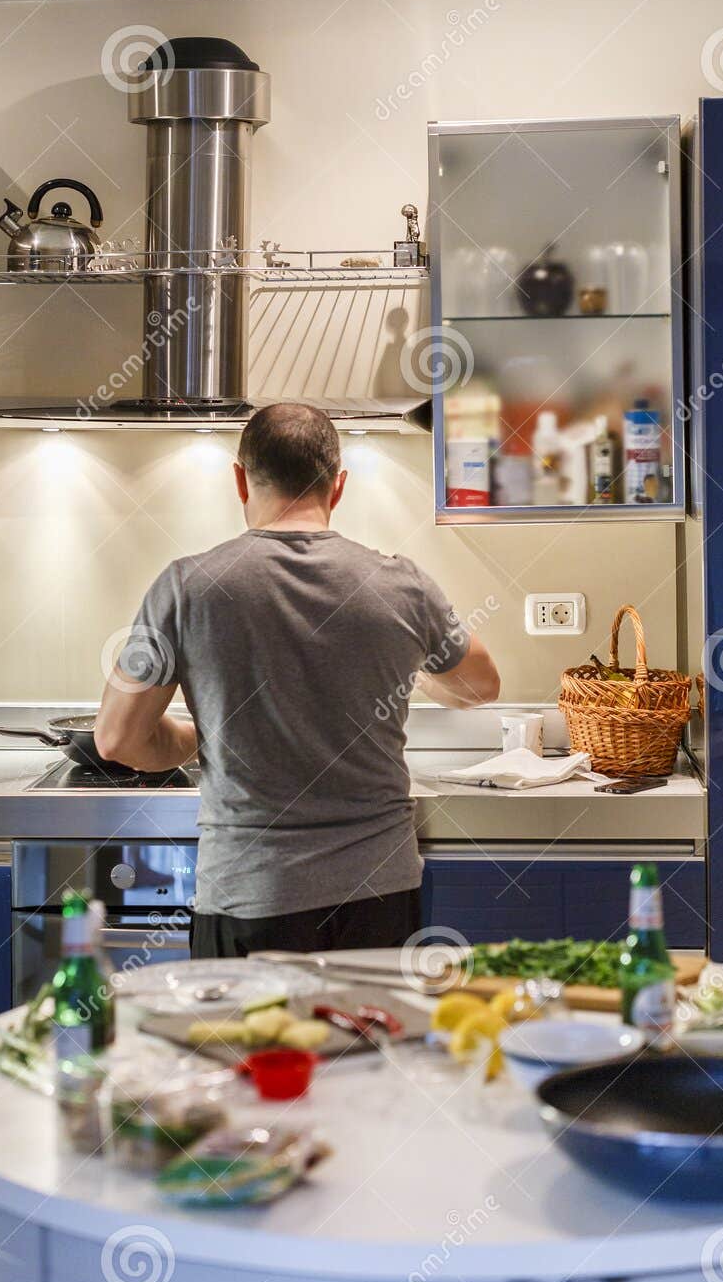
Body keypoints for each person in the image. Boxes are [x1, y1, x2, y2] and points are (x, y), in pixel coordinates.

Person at [93, 402, 499, 958]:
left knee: (255, 1046)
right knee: (369, 1045)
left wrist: (198, 736)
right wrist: (412, 671)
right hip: (377, 894)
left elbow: (117, 740)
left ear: (240, 479)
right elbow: (481, 687)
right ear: (338, 486)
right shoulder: (404, 584)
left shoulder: (186, 588)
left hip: (250, 895)